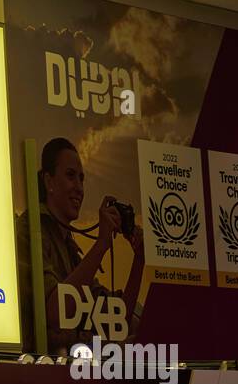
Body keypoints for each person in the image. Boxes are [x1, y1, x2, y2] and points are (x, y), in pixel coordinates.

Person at [15, 137, 145, 353]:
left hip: (72, 370)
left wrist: (140, 259)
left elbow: (117, 318)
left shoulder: (69, 247)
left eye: (82, 179)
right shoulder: (30, 230)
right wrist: (102, 244)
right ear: (48, 182)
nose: (79, 188)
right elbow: (56, 311)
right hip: (42, 373)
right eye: (70, 176)